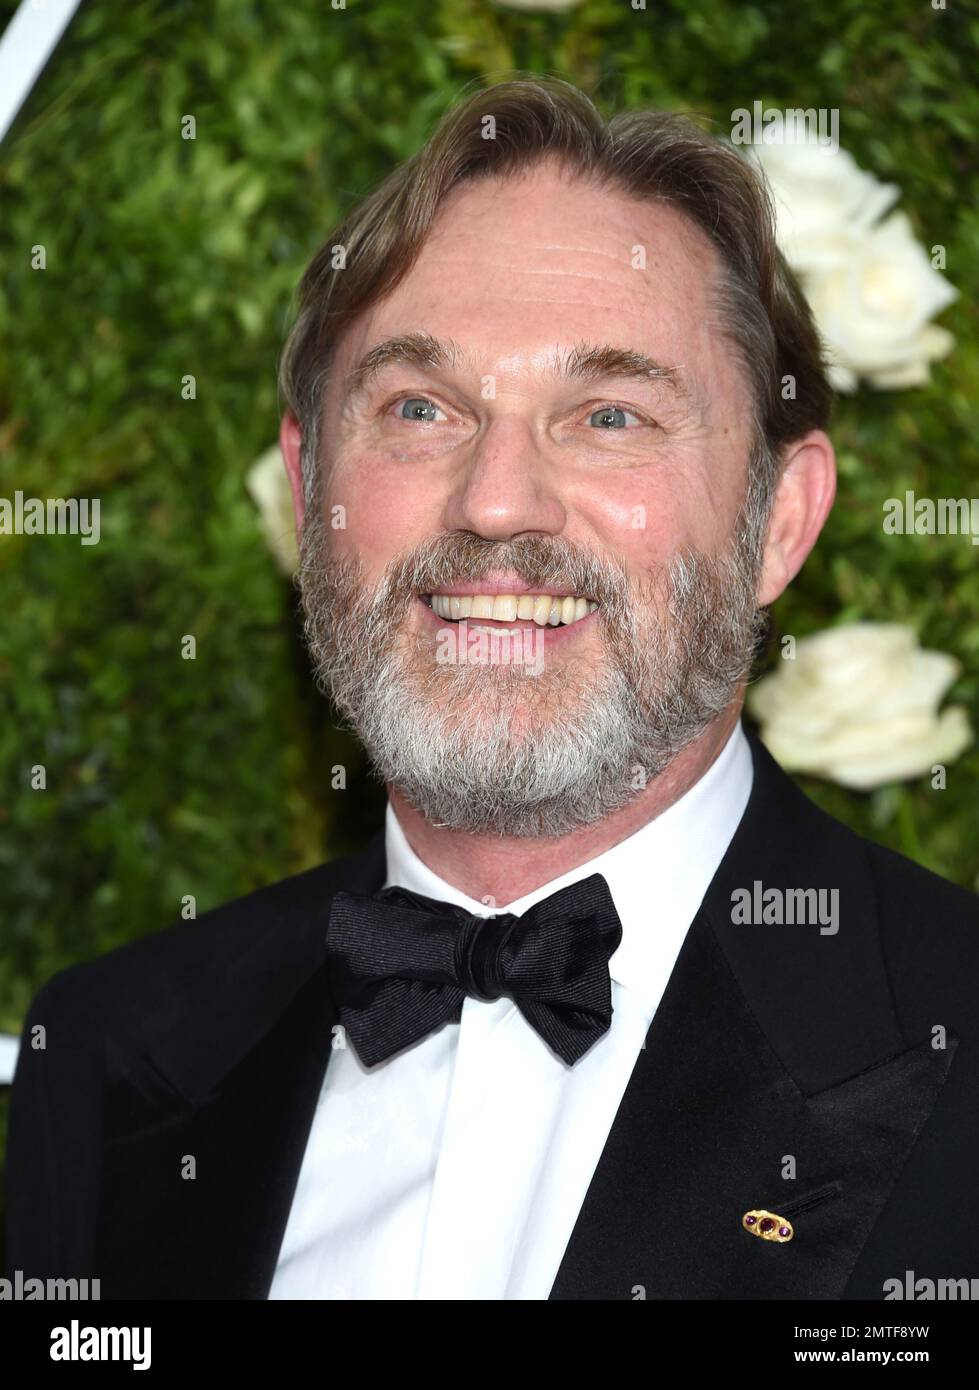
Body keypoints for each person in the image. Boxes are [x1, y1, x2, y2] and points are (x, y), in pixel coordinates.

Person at [6, 77, 978, 1301]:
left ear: (777, 519)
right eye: (420, 407)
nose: (496, 501)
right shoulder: (108, 1054)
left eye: (610, 415)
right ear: (309, 493)